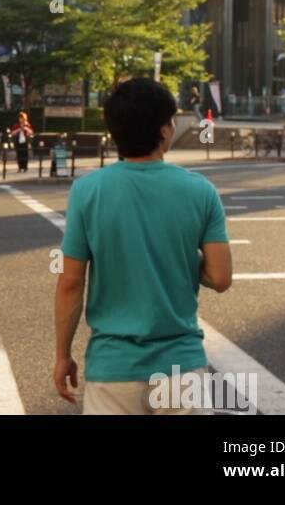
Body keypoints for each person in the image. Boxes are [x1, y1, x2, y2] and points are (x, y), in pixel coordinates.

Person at [53, 78, 233, 415]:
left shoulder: (88, 190)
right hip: (181, 367)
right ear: (164, 131)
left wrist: (63, 355)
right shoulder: (200, 191)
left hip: (113, 368)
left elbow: (70, 282)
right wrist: (175, 255)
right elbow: (221, 277)